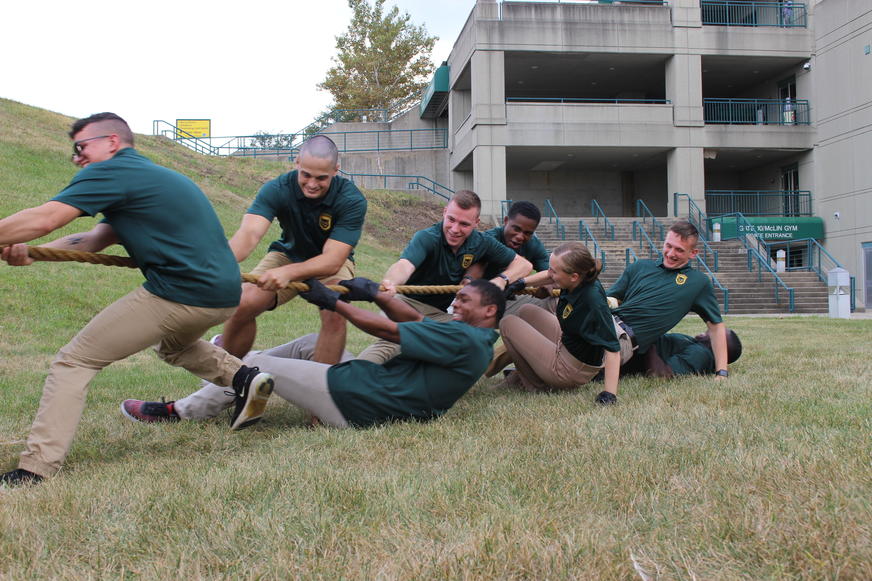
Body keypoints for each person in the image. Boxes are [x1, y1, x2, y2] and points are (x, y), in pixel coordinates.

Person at [0, 113, 272, 486]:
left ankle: (36, 469)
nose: (77, 158)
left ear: (112, 142)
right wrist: (31, 251)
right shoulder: (151, 180)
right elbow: (90, 242)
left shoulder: (113, 172)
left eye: (82, 148)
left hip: (181, 292)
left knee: (74, 361)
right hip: (223, 294)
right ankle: (243, 376)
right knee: (174, 347)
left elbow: (47, 218)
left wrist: (30, 237)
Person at [122, 278, 504, 428]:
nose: (454, 303)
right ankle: (249, 385)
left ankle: (180, 411)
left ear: (489, 311)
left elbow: (387, 329)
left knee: (250, 365)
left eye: (463, 299)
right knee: (307, 342)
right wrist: (375, 293)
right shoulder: (470, 336)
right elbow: (411, 316)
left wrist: (332, 303)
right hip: (375, 386)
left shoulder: (465, 341)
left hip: (361, 402)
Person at [217, 135, 367, 364]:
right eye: (306, 175)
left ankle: (320, 389)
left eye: (321, 178)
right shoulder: (277, 189)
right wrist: (218, 263)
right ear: (296, 162)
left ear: (336, 170)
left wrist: (288, 274)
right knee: (243, 303)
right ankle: (227, 378)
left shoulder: (351, 199)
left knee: (335, 312)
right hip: (287, 255)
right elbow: (249, 234)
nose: (312, 184)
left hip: (328, 263)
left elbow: (333, 260)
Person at [356, 190, 531, 364]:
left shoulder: (480, 242)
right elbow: (404, 265)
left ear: (476, 222)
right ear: (445, 212)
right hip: (405, 304)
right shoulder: (427, 237)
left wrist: (500, 280)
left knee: (472, 336)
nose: (455, 229)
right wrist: (390, 282)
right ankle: (350, 380)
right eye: (451, 220)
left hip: (438, 313)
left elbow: (524, 265)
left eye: (464, 224)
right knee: (392, 344)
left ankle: (427, 380)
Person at [499, 241, 622, 404]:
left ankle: (536, 385)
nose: (549, 273)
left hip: (571, 370)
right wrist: (520, 283)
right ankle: (529, 375)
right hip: (567, 345)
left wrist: (609, 394)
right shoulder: (578, 279)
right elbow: (548, 275)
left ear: (574, 276)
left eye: (554, 270)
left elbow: (613, 349)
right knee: (525, 310)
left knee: (507, 323)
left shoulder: (592, 301)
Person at [606, 220, 730, 379]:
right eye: (668, 246)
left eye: (679, 250)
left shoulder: (698, 283)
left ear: (693, 253)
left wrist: (722, 372)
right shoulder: (639, 267)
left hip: (624, 340)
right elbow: (609, 298)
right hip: (606, 322)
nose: (671, 254)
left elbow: (716, 327)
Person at [465, 200, 555, 315]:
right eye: (516, 229)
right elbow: (474, 270)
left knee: (554, 300)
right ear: (506, 220)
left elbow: (550, 273)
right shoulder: (488, 239)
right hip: (480, 301)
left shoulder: (534, 245)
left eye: (527, 233)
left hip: (509, 301)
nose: (520, 237)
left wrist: (547, 283)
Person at [621, 328, 742, 379]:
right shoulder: (697, 345)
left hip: (628, 353)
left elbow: (660, 374)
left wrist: (648, 338)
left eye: (714, 333)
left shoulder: (701, 354)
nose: (711, 330)